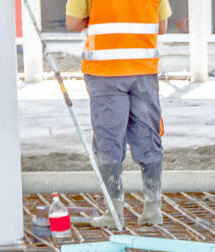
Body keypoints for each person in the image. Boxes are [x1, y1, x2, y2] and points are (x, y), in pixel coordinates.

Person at [64, 0, 168, 227]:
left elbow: (73, 22)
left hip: (105, 73)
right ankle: (153, 210)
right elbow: (161, 27)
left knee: (108, 140)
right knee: (148, 136)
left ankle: (114, 212)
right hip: (143, 70)